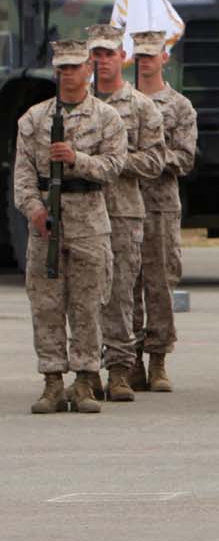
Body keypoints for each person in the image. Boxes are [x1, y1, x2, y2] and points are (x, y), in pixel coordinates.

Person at [15, 40, 126, 414]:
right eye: (61, 68)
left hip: (89, 222)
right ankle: (52, 382)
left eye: (74, 67)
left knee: (87, 305)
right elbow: (23, 176)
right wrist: (34, 210)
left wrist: (77, 159)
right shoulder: (34, 119)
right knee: (46, 305)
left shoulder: (107, 118)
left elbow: (114, 167)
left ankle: (84, 380)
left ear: (88, 70)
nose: (67, 74)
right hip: (46, 225)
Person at [87, 24, 166, 403]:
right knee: (85, 296)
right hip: (81, 212)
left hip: (122, 213)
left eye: (109, 54)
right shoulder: (74, 105)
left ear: (123, 56)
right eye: (96, 54)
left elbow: (155, 161)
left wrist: (111, 161)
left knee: (120, 294)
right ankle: (87, 369)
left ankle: (120, 369)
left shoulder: (140, 106)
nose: (102, 61)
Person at [130, 29, 197, 393]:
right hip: (124, 204)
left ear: (164, 58)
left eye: (151, 55)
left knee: (160, 283)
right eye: (140, 55)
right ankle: (128, 359)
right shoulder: (118, 103)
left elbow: (184, 158)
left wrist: (146, 158)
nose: (145, 61)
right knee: (125, 284)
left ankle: (157, 359)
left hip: (160, 206)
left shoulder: (180, 106)